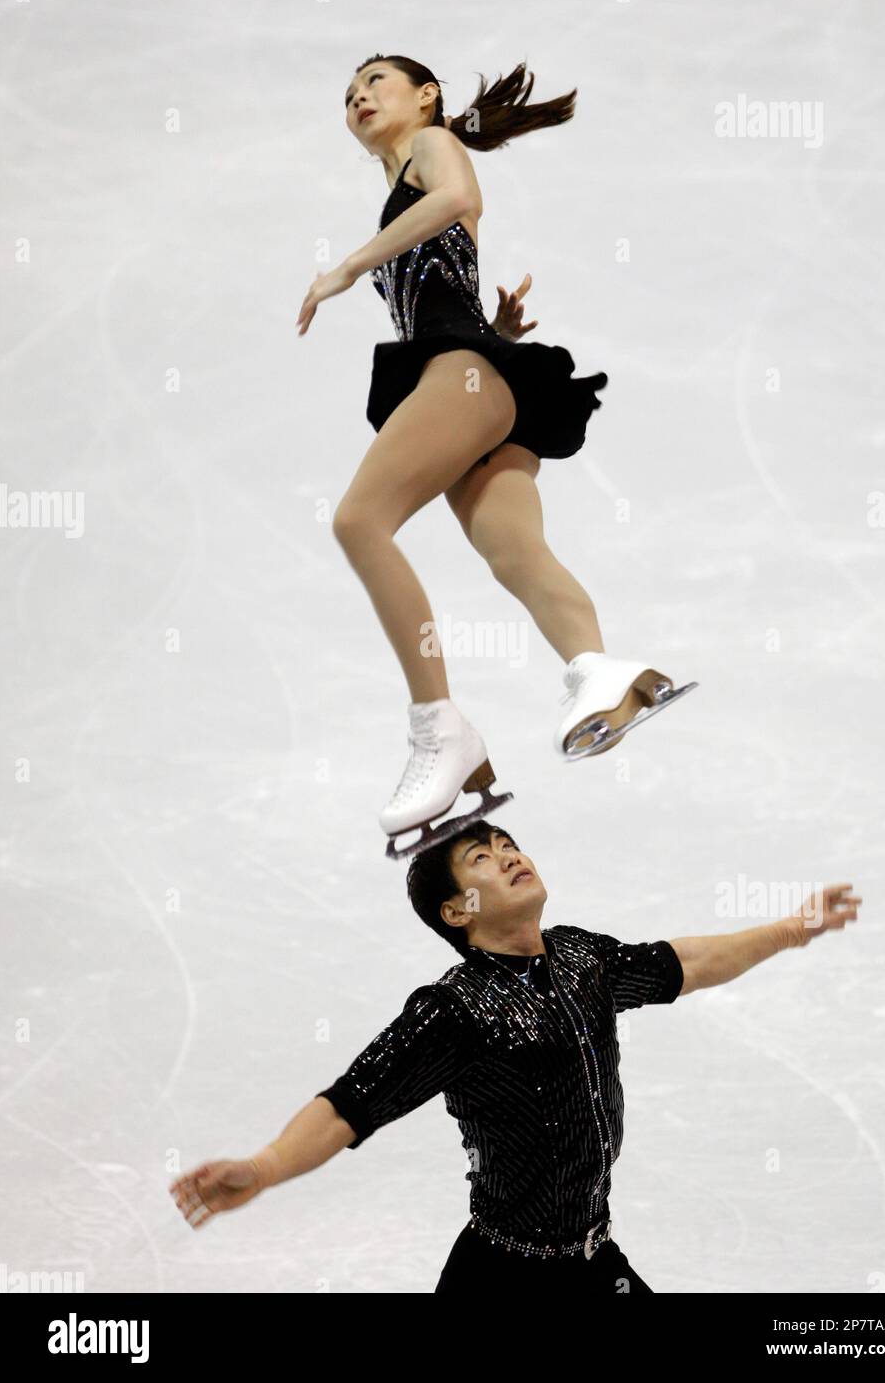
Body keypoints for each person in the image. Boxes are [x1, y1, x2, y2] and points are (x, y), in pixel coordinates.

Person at [168, 823, 861, 1294]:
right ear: (455, 912)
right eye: (479, 859)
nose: (505, 855)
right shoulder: (453, 1012)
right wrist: (261, 1168)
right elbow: (351, 1103)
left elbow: (690, 961)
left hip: (591, 1262)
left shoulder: (581, 959)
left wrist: (793, 928)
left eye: (505, 843)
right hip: (500, 1278)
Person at [296, 55, 698, 859]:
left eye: (376, 82)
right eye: (348, 95)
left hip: (464, 375)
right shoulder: (403, 176)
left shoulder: (432, 149)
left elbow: (459, 200)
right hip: (483, 370)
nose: (359, 98)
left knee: (358, 521)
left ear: (427, 96)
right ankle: (598, 675)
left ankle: (438, 730)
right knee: (515, 553)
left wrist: (348, 264)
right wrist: (498, 333)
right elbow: (446, 275)